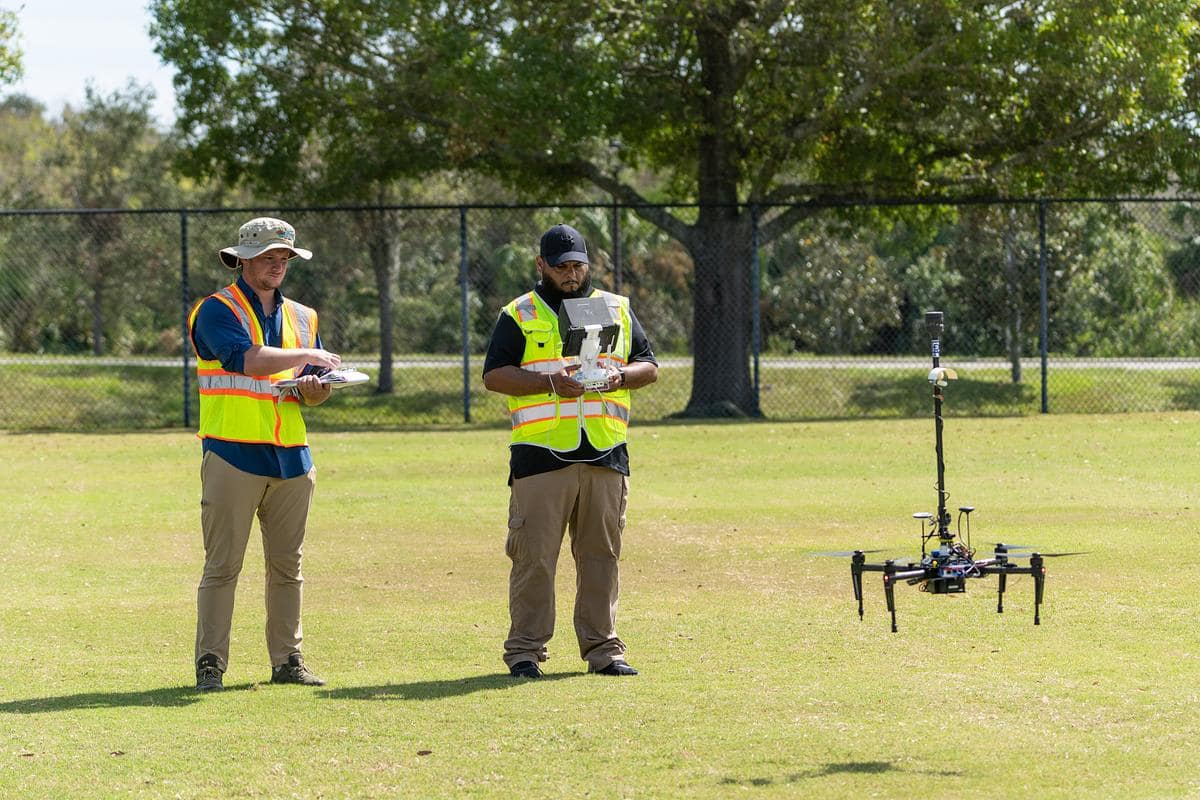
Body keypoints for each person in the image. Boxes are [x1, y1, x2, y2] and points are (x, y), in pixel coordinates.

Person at [482, 222, 658, 678]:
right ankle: (524, 652)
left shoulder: (616, 309)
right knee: (534, 558)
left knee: (602, 556)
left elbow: (648, 365)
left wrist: (621, 377)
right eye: (561, 266)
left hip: (605, 453)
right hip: (541, 456)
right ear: (541, 265)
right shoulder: (519, 313)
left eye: (577, 264)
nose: (571, 273)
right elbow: (494, 375)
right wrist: (547, 384)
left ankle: (604, 651)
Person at [186, 217, 341, 692]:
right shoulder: (215, 310)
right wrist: (306, 360)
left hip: (292, 457)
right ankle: (210, 663)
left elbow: (311, 395)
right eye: (270, 256)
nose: (278, 265)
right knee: (223, 565)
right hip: (233, 453)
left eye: (285, 257)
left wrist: (317, 386)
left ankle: (288, 661)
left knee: (287, 567)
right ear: (243, 259)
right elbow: (247, 360)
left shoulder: (303, 316)